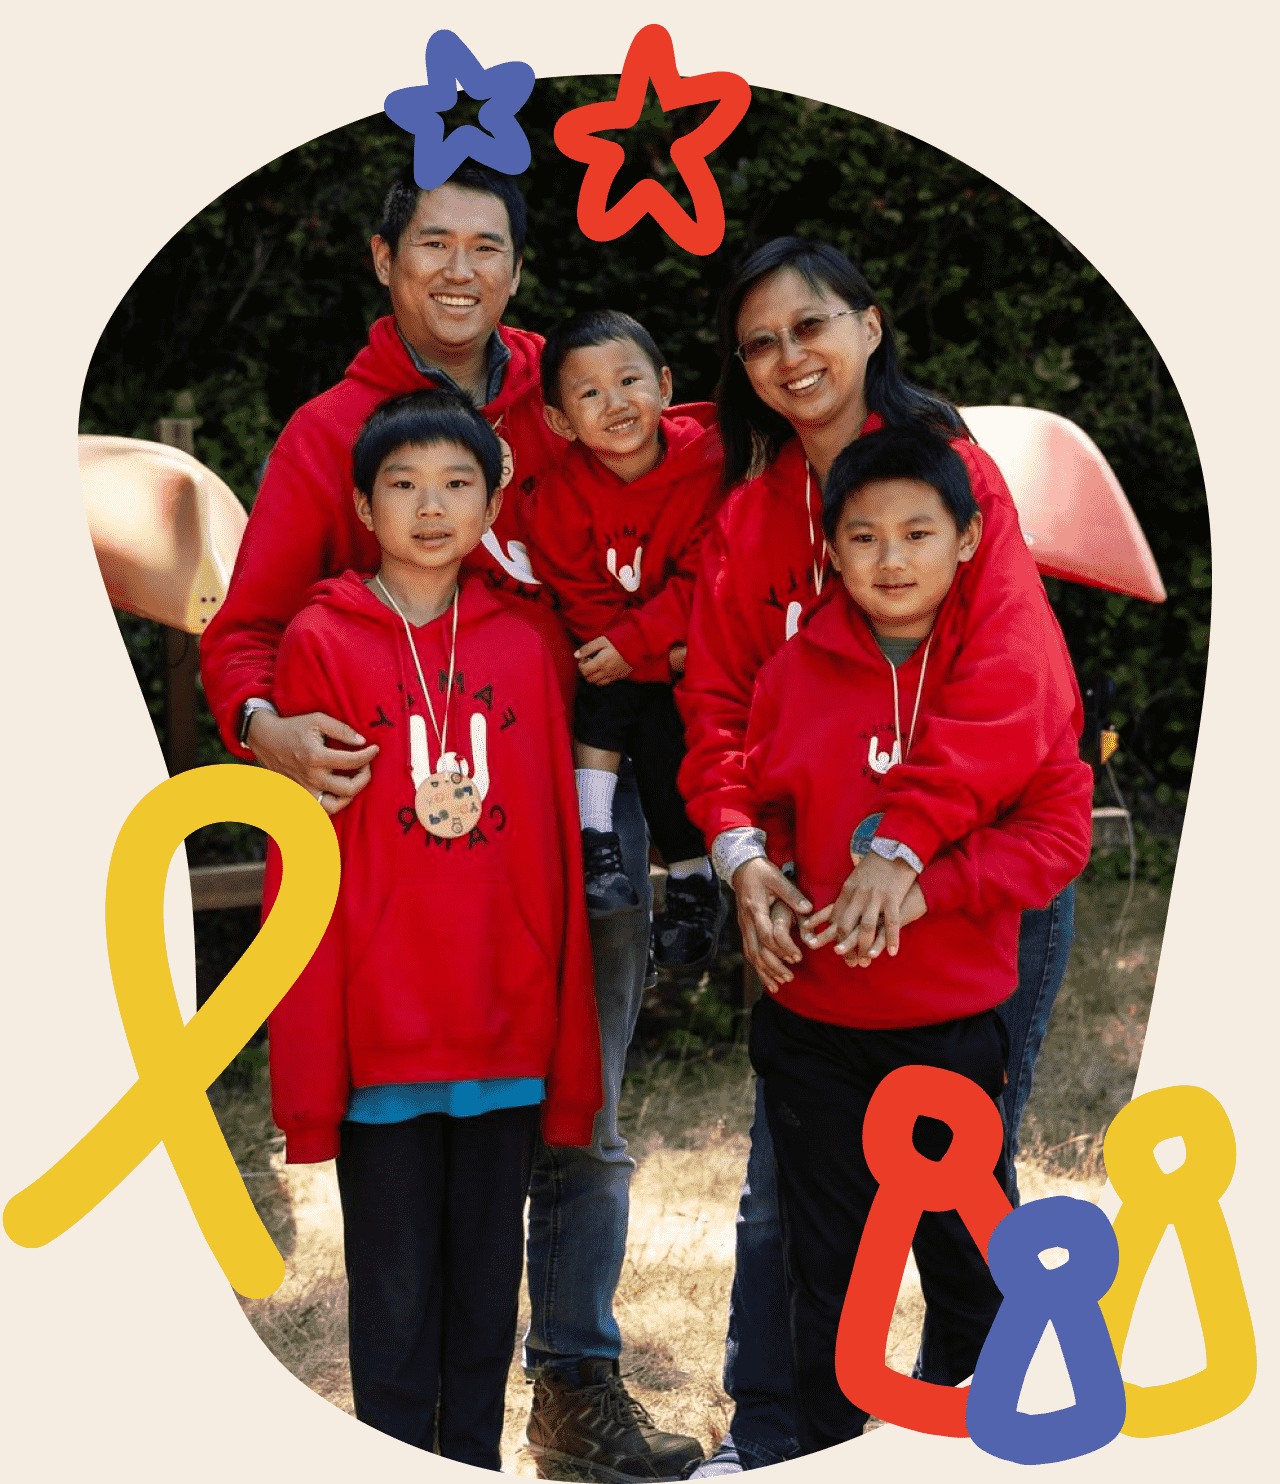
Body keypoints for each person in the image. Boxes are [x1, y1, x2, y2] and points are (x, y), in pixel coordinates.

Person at [200, 165, 697, 1478]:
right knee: (416, 1193)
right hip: (397, 858)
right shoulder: (329, 434)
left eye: (489, 245)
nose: (461, 268)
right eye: (433, 243)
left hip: (576, 797)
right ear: (384, 260)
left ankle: (576, 1395)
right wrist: (269, 730)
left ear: (522, 271)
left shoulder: (574, 391)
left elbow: (699, 475)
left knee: (577, 1108)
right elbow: (246, 637)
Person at [677, 237, 1081, 1472]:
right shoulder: (750, 520)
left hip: (970, 894)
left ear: (868, 325)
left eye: (809, 326)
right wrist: (743, 857)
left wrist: (908, 847)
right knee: (790, 1214)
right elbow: (718, 710)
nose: (788, 357)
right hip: (813, 927)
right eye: (758, 342)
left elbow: (1011, 685)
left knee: (963, 1209)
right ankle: (785, 1440)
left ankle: (974, 1429)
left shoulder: (952, 481)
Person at [738, 423, 1094, 1452]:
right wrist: (756, 881)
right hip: (814, 1030)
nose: (889, 559)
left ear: (969, 538)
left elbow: (1055, 835)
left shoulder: (1000, 670)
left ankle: (984, 1443)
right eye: (861, 537)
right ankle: (821, 1448)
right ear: (828, 550)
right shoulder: (791, 673)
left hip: (947, 1028)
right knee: (829, 1270)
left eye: (915, 533)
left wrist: (926, 889)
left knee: (968, 1262)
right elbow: (761, 810)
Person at [266, 390, 603, 1468]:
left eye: (457, 483)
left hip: (500, 1017)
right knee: (394, 1282)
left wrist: (556, 1008)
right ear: (362, 504)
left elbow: (550, 835)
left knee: (480, 1283)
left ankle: (474, 1456)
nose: (429, 505)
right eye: (402, 484)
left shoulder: (523, 637)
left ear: (493, 501)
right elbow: (302, 855)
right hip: (383, 1025)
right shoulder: (319, 637)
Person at [530, 309, 727, 968]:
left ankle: (695, 880)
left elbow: (708, 573)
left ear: (665, 386)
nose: (614, 403)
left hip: (682, 650)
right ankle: (599, 845)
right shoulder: (557, 497)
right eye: (588, 393)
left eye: (629, 381)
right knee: (607, 693)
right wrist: (616, 645)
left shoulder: (709, 468)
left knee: (667, 727)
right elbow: (575, 587)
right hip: (617, 649)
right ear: (560, 420)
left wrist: (639, 646)